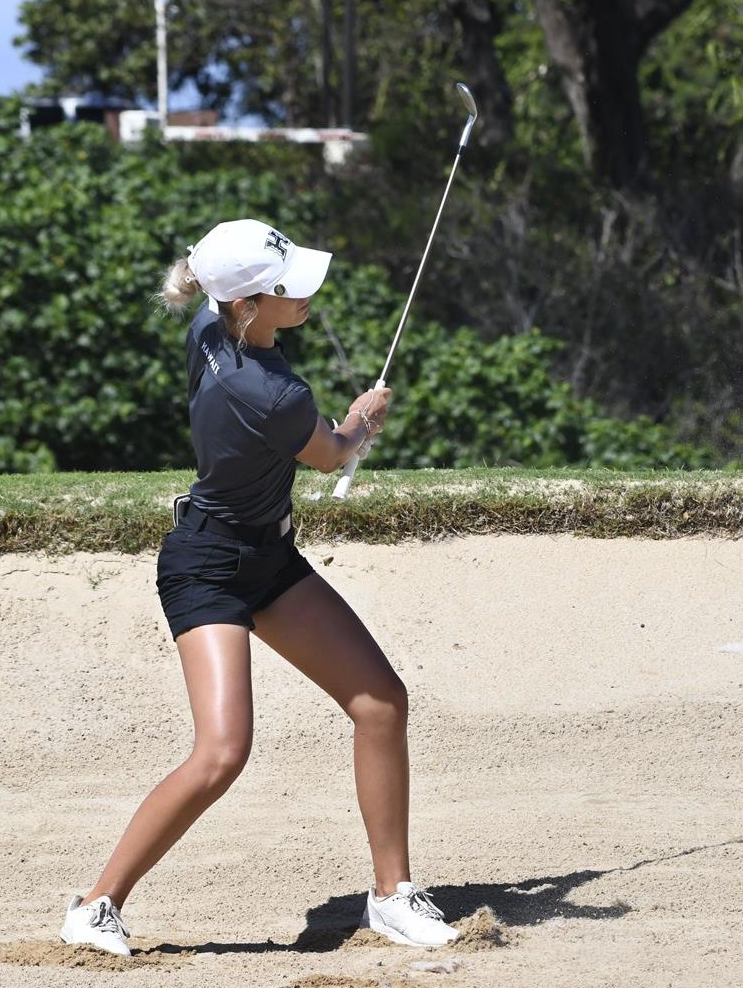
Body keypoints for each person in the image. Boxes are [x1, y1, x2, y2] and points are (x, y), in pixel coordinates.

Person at [58, 218, 459, 955]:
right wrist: (363, 421)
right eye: (287, 289)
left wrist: (342, 429)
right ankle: (95, 905)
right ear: (246, 304)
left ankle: (392, 895)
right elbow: (331, 452)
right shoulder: (275, 395)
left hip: (269, 562)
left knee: (380, 703)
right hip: (207, 565)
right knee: (222, 751)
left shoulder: (208, 333)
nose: (304, 296)